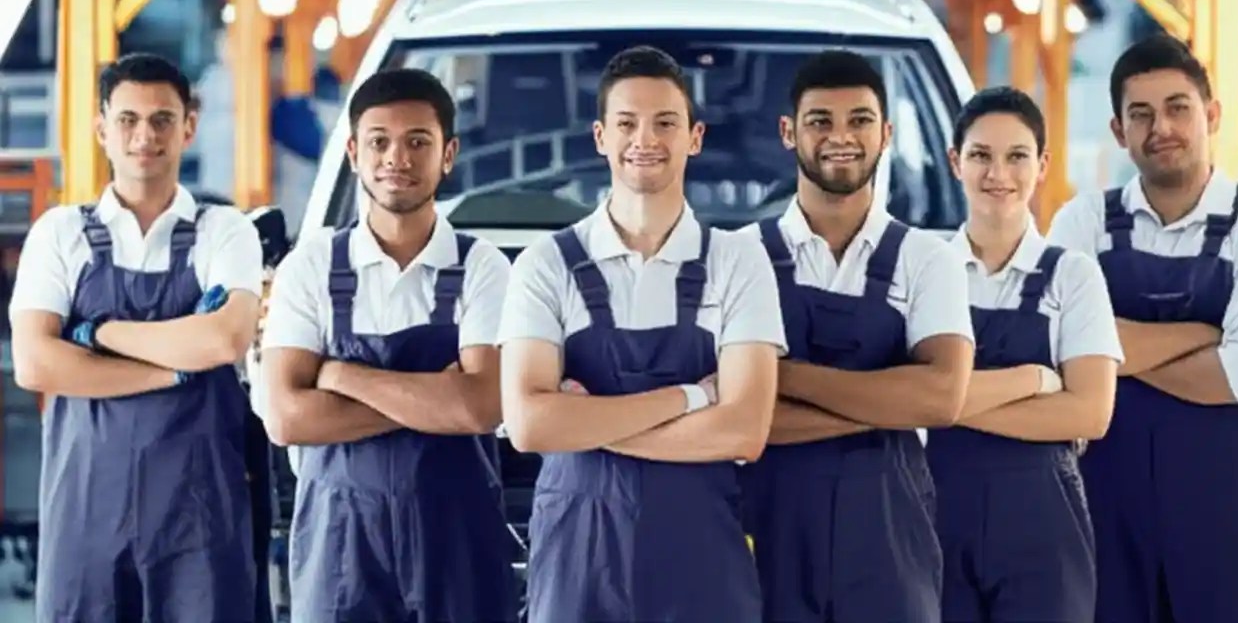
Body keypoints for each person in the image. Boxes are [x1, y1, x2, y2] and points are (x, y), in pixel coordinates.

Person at [497, 45, 785, 623]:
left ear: (695, 137)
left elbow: (745, 430)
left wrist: (587, 426)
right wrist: (693, 398)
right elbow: (529, 426)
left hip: (701, 564)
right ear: (600, 137)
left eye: (665, 123)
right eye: (627, 123)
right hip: (578, 563)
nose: (645, 139)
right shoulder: (544, 265)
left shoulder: (738, 262)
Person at [9, 52, 264, 622]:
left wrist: (97, 333)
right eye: (128, 120)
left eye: (161, 120)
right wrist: (172, 369)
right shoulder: (60, 234)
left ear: (188, 127)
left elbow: (223, 340)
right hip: (86, 513)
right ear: (102, 129)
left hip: (198, 516)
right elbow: (36, 362)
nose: (144, 136)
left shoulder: (225, 231)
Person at [259, 68, 517, 623]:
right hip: (340, 550)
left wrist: (341, 376)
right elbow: (286, 417)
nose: (397, 158)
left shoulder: (482, 267)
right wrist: (436, 400)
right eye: (379, 142)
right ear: (354, 153)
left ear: (448, 154)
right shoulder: (311, 267)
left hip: (458, 548)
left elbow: (480, 407)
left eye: (418, 142)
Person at [1048, 34, 1238, 623]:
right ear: (1118, 130)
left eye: (1178, 108)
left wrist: (1106, 352)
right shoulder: (1083, 220)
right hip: (1105, 513)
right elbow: (1055, 350)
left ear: (1212, 115)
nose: (1162, 128)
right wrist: (1203, 333)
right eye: (1141, 114)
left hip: (1232, 521)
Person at [740, 49, 973, 623]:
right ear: (789, 132)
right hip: (765, 535)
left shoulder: (929, 259)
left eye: (860, 120)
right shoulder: (739, 257)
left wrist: (783, 379)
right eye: (820, 121)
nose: (840, 137)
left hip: (889, 536)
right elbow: (736, 415)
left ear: (886, 134)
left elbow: (941, 399)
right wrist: (888, 403)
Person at [929, 86, 1122, 622]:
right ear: (955, 162)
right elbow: (907, 401)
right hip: (933, 516)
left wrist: (944, 403)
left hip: (1043, 528)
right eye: (981, 155)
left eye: (1016, 156)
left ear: (1043, 166)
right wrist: (1034, 381)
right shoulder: (923, 269)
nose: (999, 174)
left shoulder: (1073, 275)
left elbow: (1090, 413)